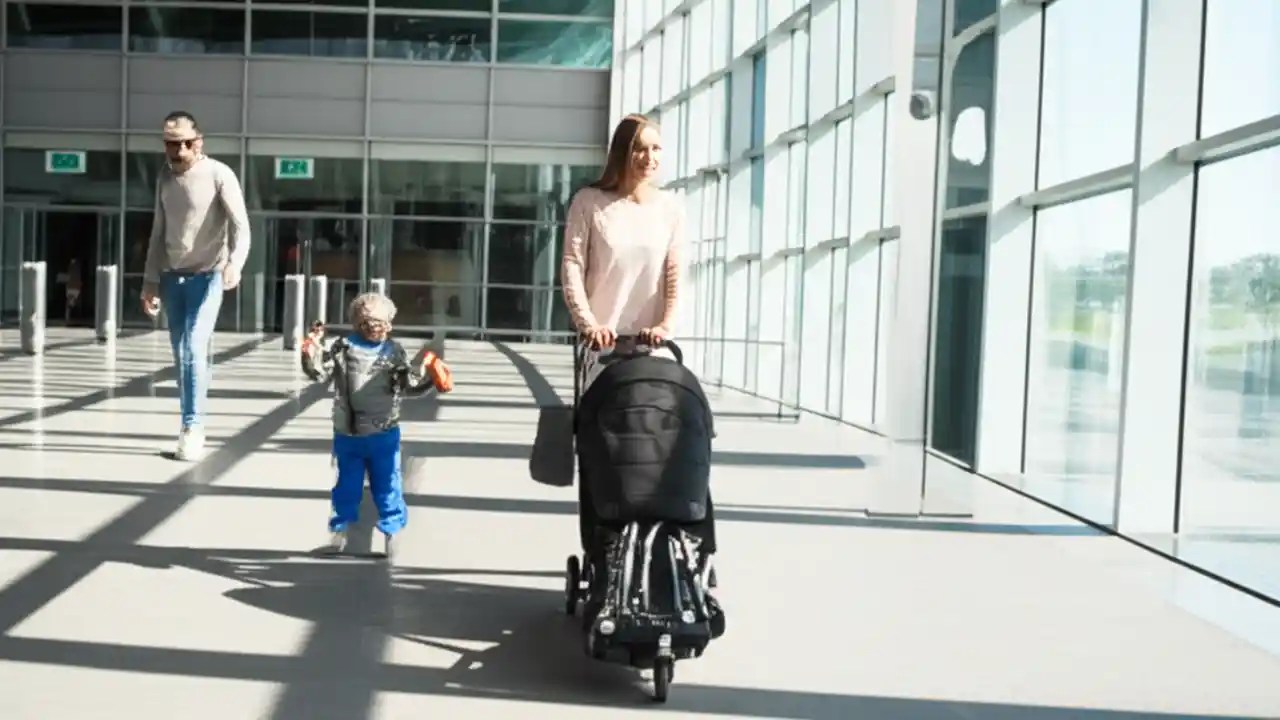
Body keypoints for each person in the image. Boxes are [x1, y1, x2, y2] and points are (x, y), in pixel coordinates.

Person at [560, 113, 719, 582]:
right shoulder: (590, 203)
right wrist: (589, 324)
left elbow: (674, 274)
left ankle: (686, 545)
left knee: (668, 440)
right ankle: (603, 548)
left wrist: (665, 325)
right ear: (621, 153)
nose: (649, 158)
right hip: (601, 349)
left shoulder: (669, 208)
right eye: (639, 149)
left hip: (652, 348)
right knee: (604, 449)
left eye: (656, 149)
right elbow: (571, 267)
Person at [300, 294, 455, 561]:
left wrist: (431, 378)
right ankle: (344, 534)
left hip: (381, 435)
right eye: (369, 321)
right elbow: (320, 372)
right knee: (350, 486)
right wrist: (310, 353)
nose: (375, 327)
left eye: (379, 322)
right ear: (357, 322)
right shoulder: (344, 348)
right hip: (352, 435)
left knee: (387, 486)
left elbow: (409, 385)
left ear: (388, 323)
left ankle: (389, 534)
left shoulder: (391, 351)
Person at [140, 110, 251, 461]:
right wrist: (150, 282)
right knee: (184, 355)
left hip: (208, 276)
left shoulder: (220, 174)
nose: (178, 150)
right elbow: (158, 232)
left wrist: (235, 263)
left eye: (185, 143)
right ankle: (193, 415)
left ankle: (193, 427)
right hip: (172, 278)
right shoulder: (163, 178)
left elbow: (241, 226)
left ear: (198, 142)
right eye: (171, 143)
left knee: (192, 348)